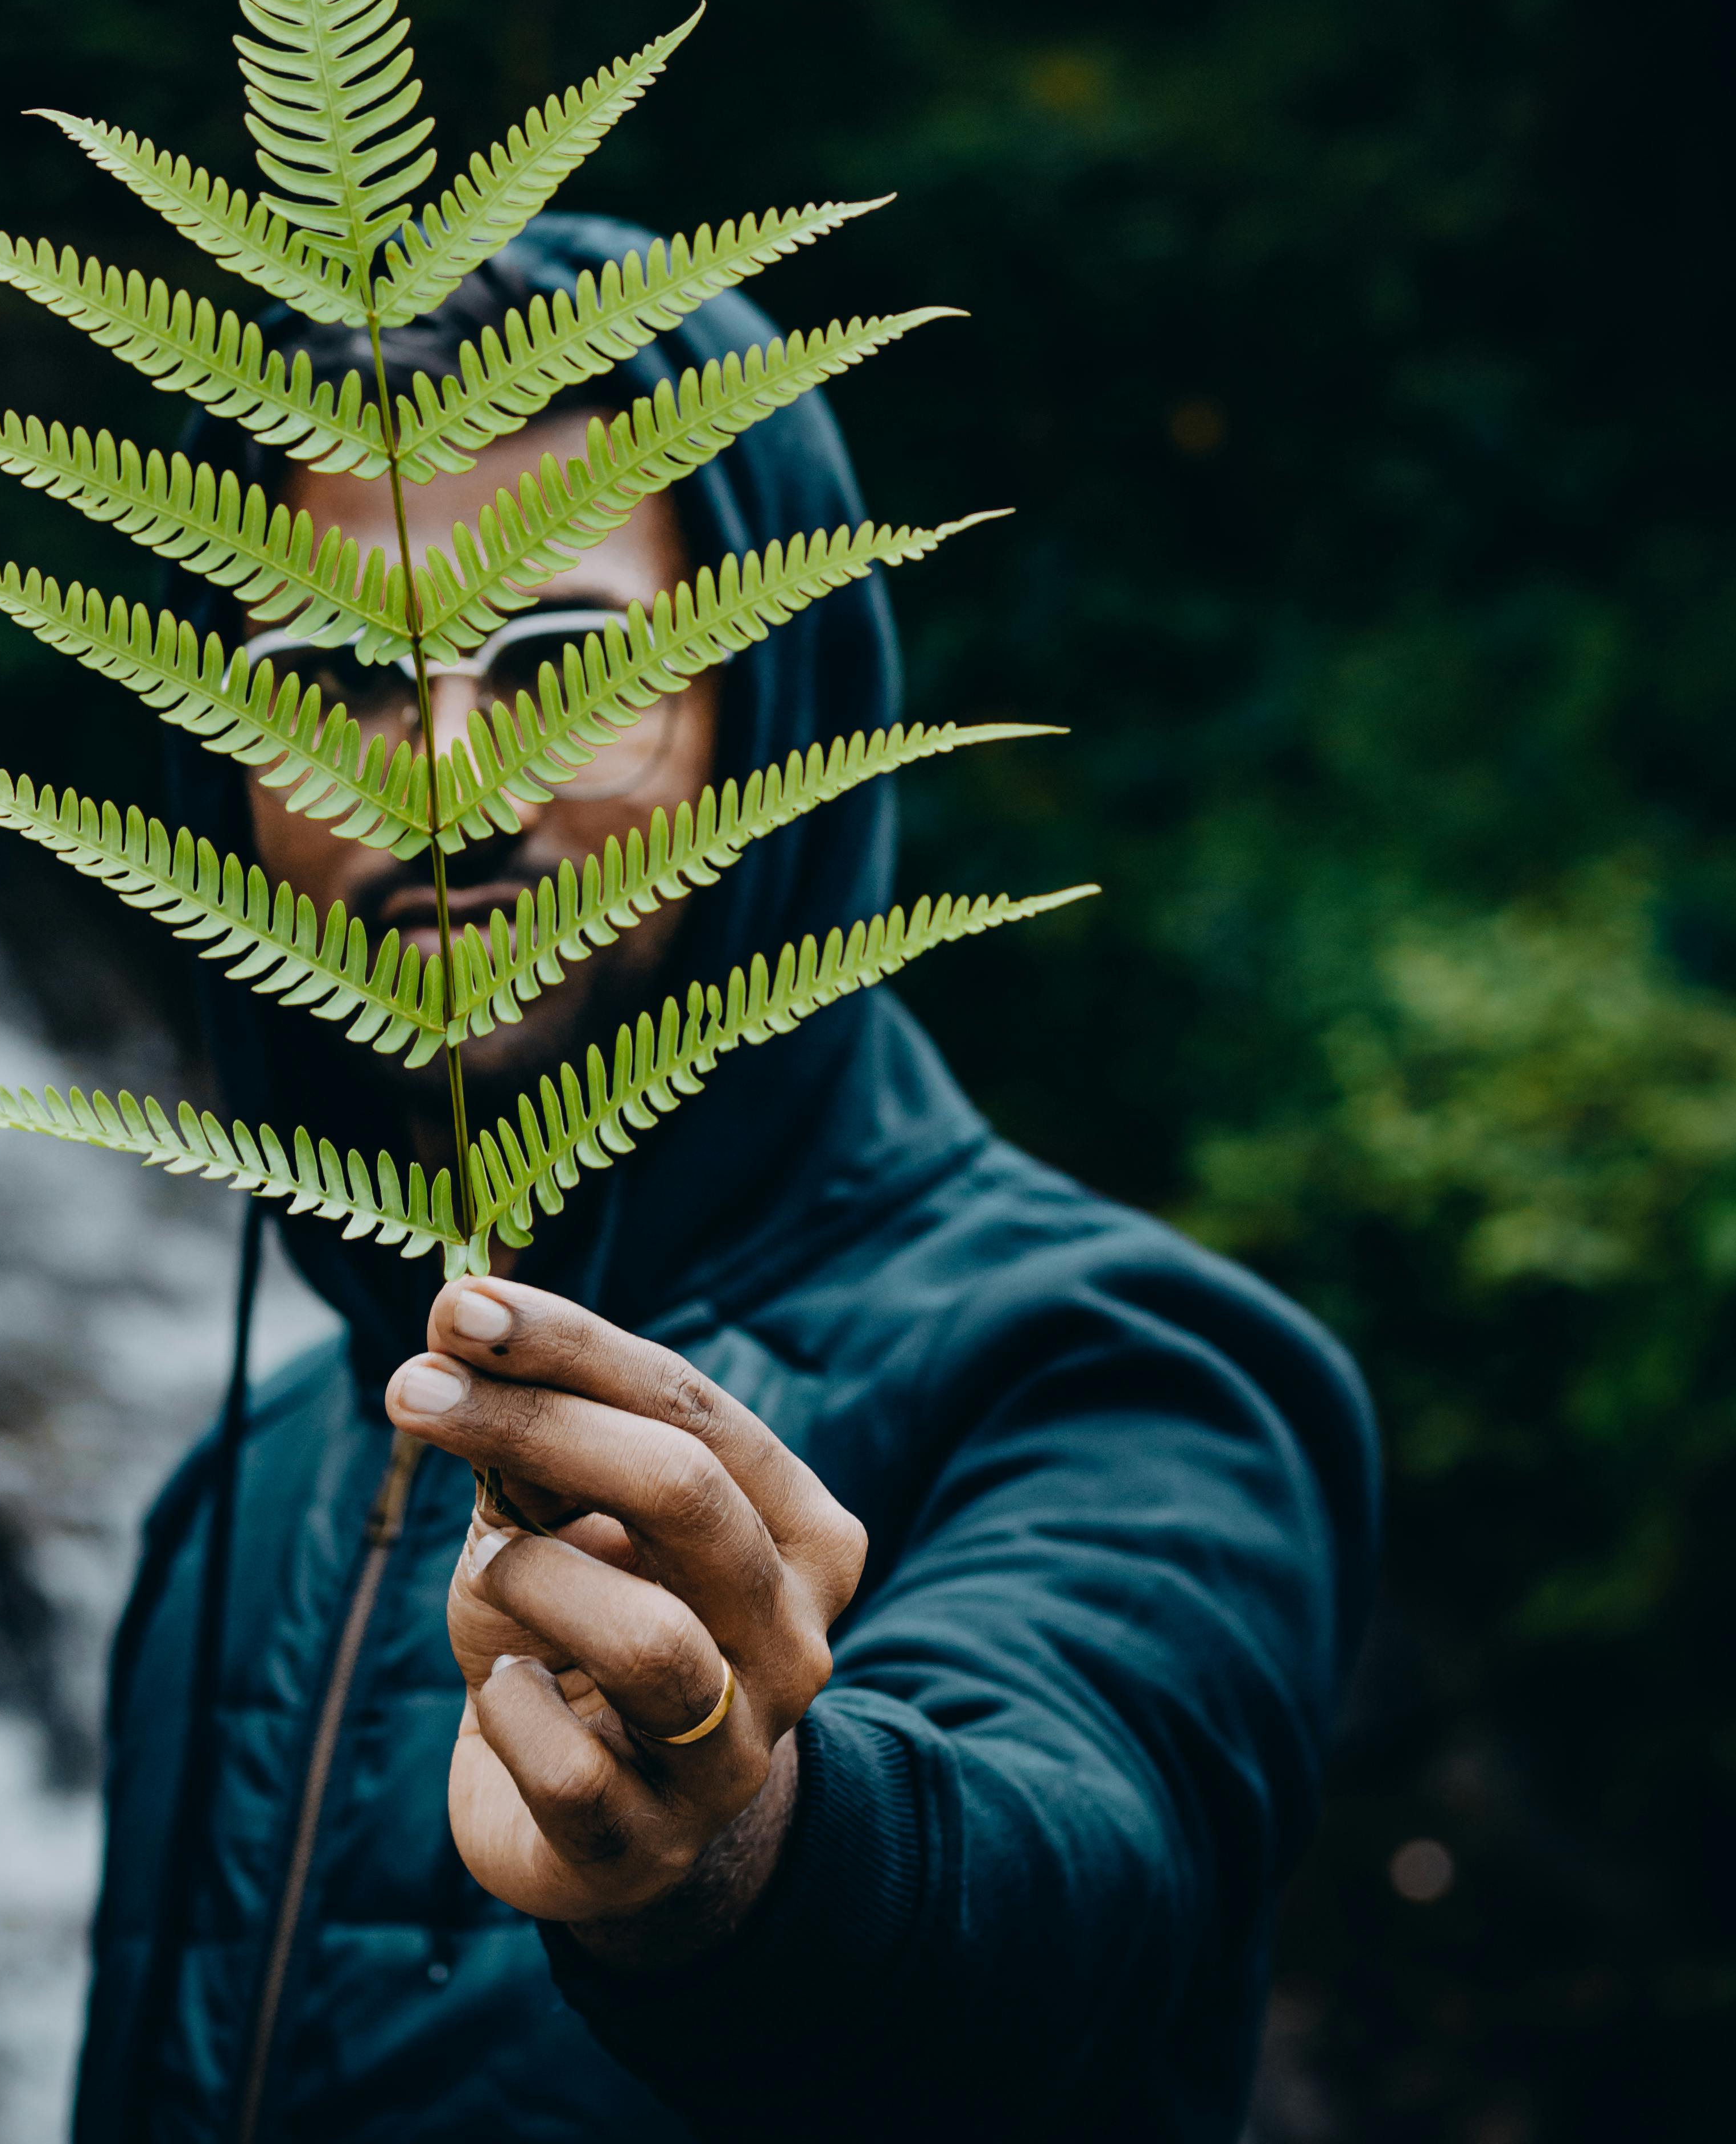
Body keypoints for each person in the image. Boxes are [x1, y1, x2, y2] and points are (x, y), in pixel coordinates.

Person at [71, 216, 1378, 2144]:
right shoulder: (246, 1480)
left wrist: (749, 1854)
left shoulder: (1127, 1373)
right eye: (335, 688)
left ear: (782, 714)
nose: (450, 776)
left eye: (566, 664)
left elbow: (1077, 1877)